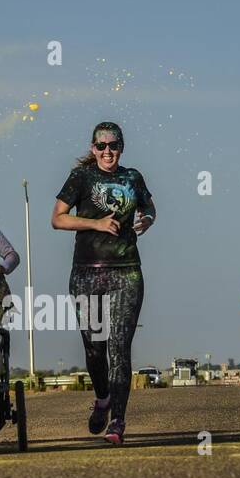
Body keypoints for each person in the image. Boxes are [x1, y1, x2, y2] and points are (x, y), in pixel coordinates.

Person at [51, 121, 156, 445]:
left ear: (121, 147)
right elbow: (58, 218)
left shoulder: (132, 177)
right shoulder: (81, 178)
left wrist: (147, 218)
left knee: (119, 348)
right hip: (87, 272)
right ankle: (102, 398)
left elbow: (148, 206)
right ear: (93, 148)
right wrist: (94, 223)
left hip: (126, 272)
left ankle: (118, 422)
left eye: (113, 145)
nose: (107, 151)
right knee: (95, 349)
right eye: (101, 146)